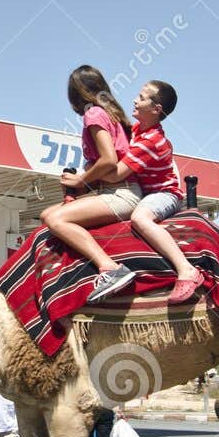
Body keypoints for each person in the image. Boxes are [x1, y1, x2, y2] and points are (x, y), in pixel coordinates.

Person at [90, 80, 202, 304]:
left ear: (156, 109)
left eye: (141, 98)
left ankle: (186, 270)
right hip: (144, 193)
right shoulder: (136, 131)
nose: (135, 100)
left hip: (164, 194)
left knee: (140, 218)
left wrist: (86, 176)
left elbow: (115, 175)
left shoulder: (151, 141)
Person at [39, 66, 143, 299]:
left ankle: (110, 268)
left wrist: (80, 180)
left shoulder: (93, 114)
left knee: (56, 219)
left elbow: (108, 160)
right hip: (114, 190)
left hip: (121, 194)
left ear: (77, 94)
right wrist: (85, 183)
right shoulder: (111, 113)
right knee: (46, 215)